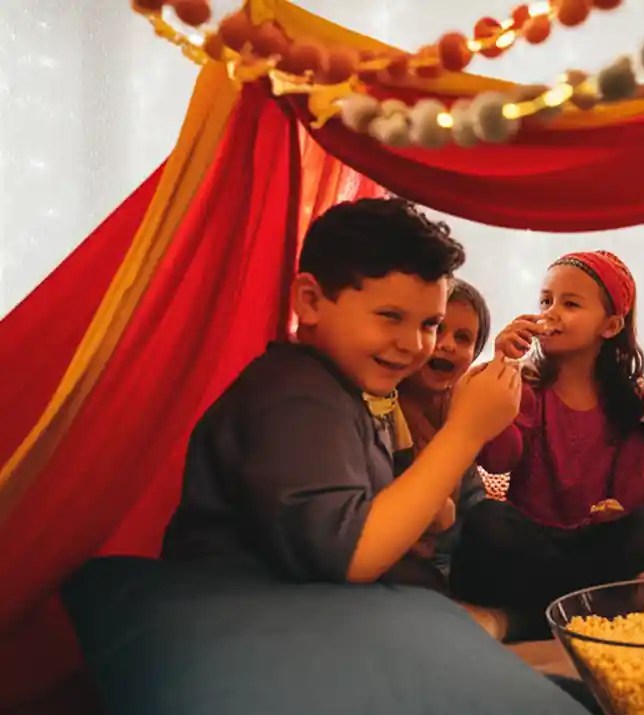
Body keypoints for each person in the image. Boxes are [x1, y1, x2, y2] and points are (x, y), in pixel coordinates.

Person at [163, 198, 522, 593]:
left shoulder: (347, 390)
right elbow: (351, 555)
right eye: (390, 316)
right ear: (310, 301)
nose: (414, 344)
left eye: (429, 324)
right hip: (245, 603)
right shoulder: (295, 396)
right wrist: (466, 431)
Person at [449, 250, 644, 636]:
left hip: (596, 544)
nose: (551, 313)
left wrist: (615, 513)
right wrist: (501, 364)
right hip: (532, 541)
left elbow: (631, 491)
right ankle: (592, 612)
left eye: (570, 304)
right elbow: (498, 461)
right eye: (546, 301)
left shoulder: (630, 400)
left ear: (611, 325)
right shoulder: (524, 385)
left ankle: (530, 619)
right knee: (486, 520)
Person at [398, 278, 493, 580]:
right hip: (403, 565)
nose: (448, 344)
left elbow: (475, 508)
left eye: (463, 338)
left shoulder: (459, 408)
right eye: (437, 329)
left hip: (458, 559)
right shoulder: (386, 408)